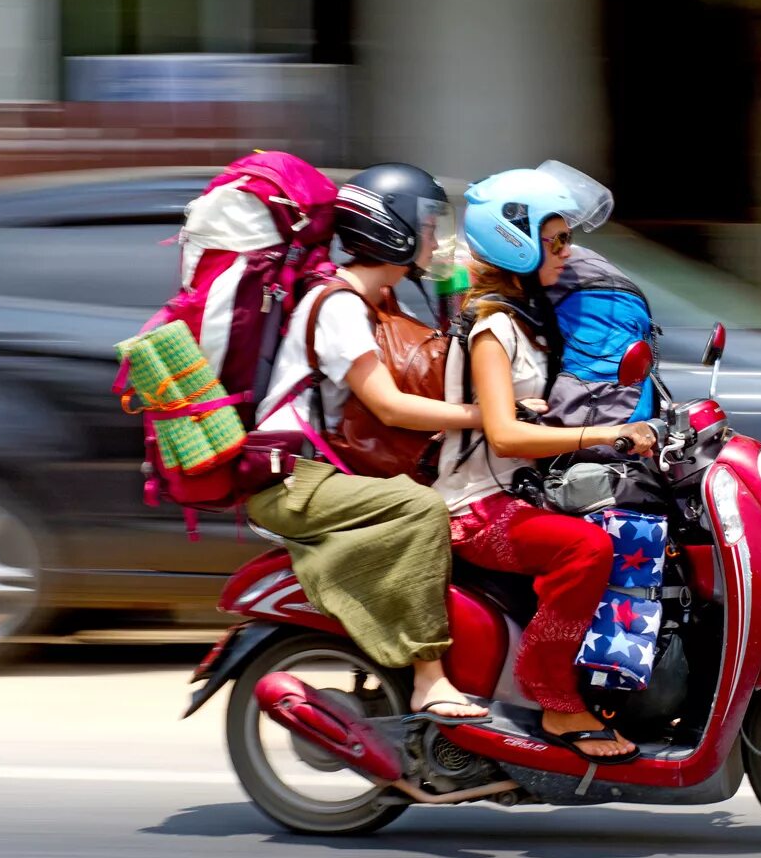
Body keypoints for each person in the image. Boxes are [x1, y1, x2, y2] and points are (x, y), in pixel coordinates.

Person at [433, 164, 657, 762]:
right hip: (474, 507)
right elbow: (503, 435)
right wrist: (610, 432)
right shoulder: (493, 326)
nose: (567, 251)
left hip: (509, 494)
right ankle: (553, 698)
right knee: (587, 550)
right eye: (554, 239)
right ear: (517, 242)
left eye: (566, 237)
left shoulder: (527, 320)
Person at [249, 163, 487, 720]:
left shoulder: (387, 302)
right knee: (421, 508)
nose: (436, 237)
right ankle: (430, 678)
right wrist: (484, 416)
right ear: (392, 229)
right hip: (295, 480)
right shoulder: (337, 305)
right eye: (427, 224)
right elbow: (389, 404)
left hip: (330, 474)